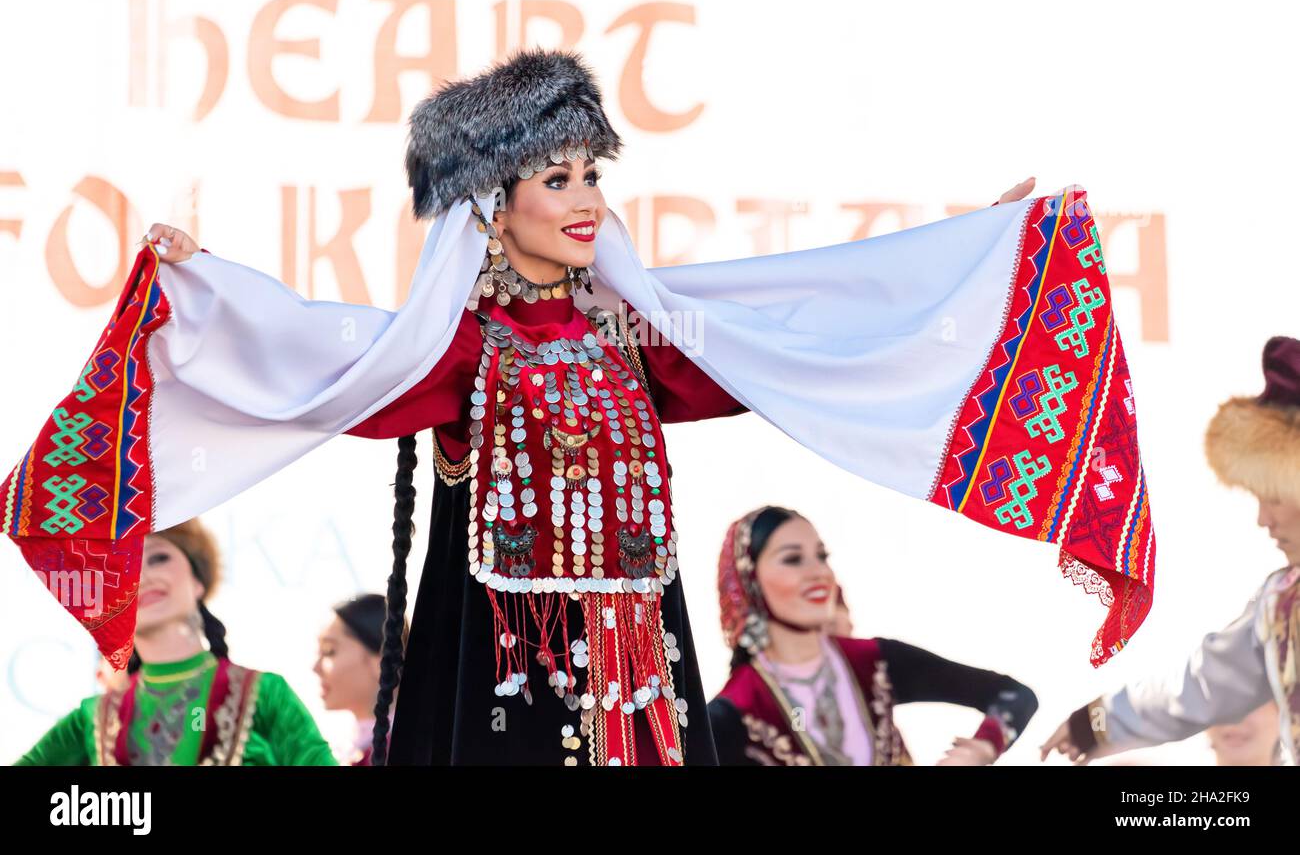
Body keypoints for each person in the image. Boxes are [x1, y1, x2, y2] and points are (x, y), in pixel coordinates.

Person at [3, 47, 1155, 766]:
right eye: (556, 177)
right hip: (502, 683)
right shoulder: (459, 345)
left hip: (640, 676)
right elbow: (318, 367)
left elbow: (805, 331)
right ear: (487, 211)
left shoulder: (639, 333)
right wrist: (200, 288)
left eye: (592, 172)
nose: (587, 199)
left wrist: (983, 257)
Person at [1040, 335, 1300, 766]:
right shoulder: (1280, 603)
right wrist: (1095, 724)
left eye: (1271, 495)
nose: (1263, 519)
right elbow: (1201, 688)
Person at [708, 505, 1037, 765]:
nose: (818, 572)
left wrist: (981, 748)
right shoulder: (733, 714)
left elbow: (1013, 695)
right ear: (749, 579)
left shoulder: (873, 662)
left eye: (821, 557)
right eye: (793, 559)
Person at [15, 519, 336, 766]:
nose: (142, 576)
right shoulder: (92, 717)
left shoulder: (266, 694)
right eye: (122, 568)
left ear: (198, 580)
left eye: (158, 559)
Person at [315, 594, 405, 765]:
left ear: (380, 661)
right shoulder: (347, 751)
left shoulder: (409, 750)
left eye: (329, 651)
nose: (315, 668)